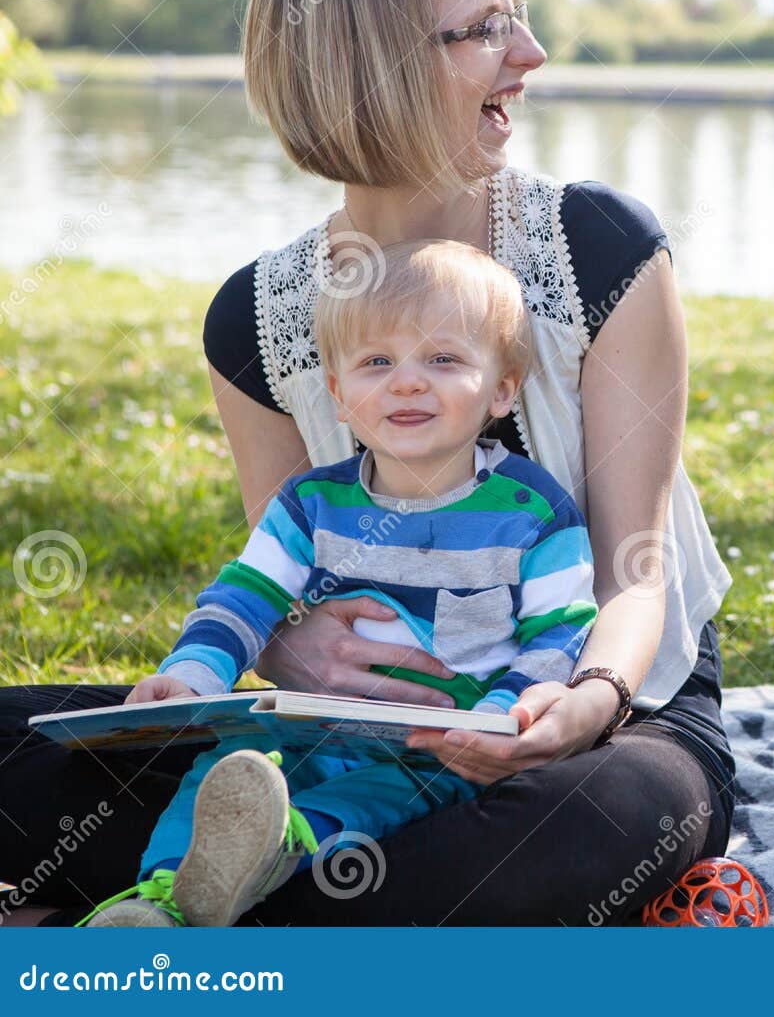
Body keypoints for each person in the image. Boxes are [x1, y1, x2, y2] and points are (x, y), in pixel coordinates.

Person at [0, 0, 734, 926]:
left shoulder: (597, 247)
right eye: (482, 30)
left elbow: (633, 570)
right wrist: (278, 646)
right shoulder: (254, 320)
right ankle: (249, 880)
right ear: (371, 63)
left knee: (612, 818)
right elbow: (287, 578)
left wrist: (581, 705)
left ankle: (198, 906)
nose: (529, 52)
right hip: (343, 735)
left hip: (617, 706)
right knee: (28, 742)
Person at [81, 240, 600, 927]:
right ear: (340, 394)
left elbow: (558, 631)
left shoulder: (533, 511)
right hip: (310, 722)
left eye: (442, 359)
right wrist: (194, 672)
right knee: (222, 770)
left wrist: (499, 713)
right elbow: (244, 595)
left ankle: (281, 848)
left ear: (502, 387)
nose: (408, 382)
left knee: (377, 797)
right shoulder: (310, 504)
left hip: (439, 746)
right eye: (377, 363)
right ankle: (161, 902)